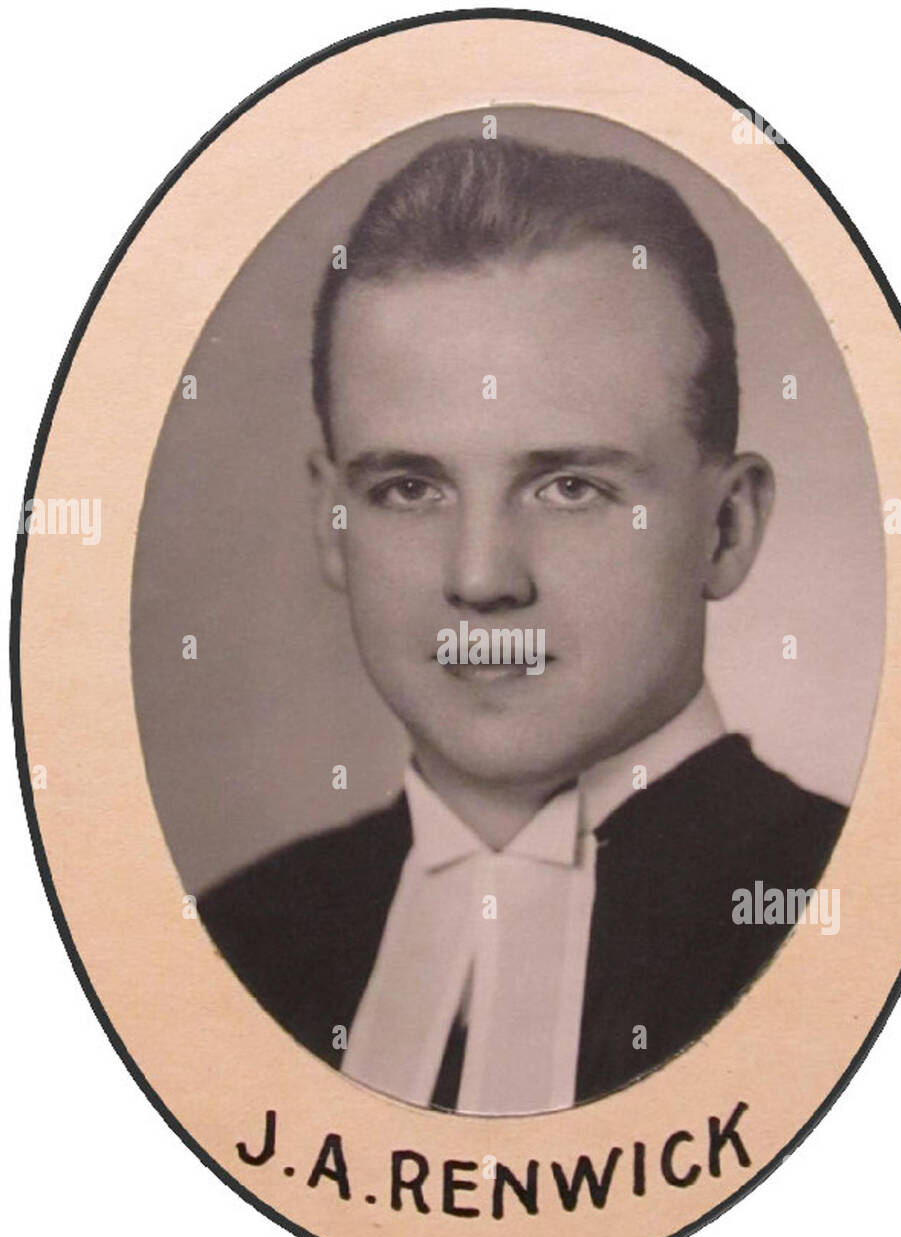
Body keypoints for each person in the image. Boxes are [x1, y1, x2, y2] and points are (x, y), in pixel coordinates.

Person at [199, 136, 846, 1115]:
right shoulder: (235, 939)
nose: (480, 577)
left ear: (726, 526)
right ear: (333, 523)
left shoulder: (875, 916)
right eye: (409, 487)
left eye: (569, 485)